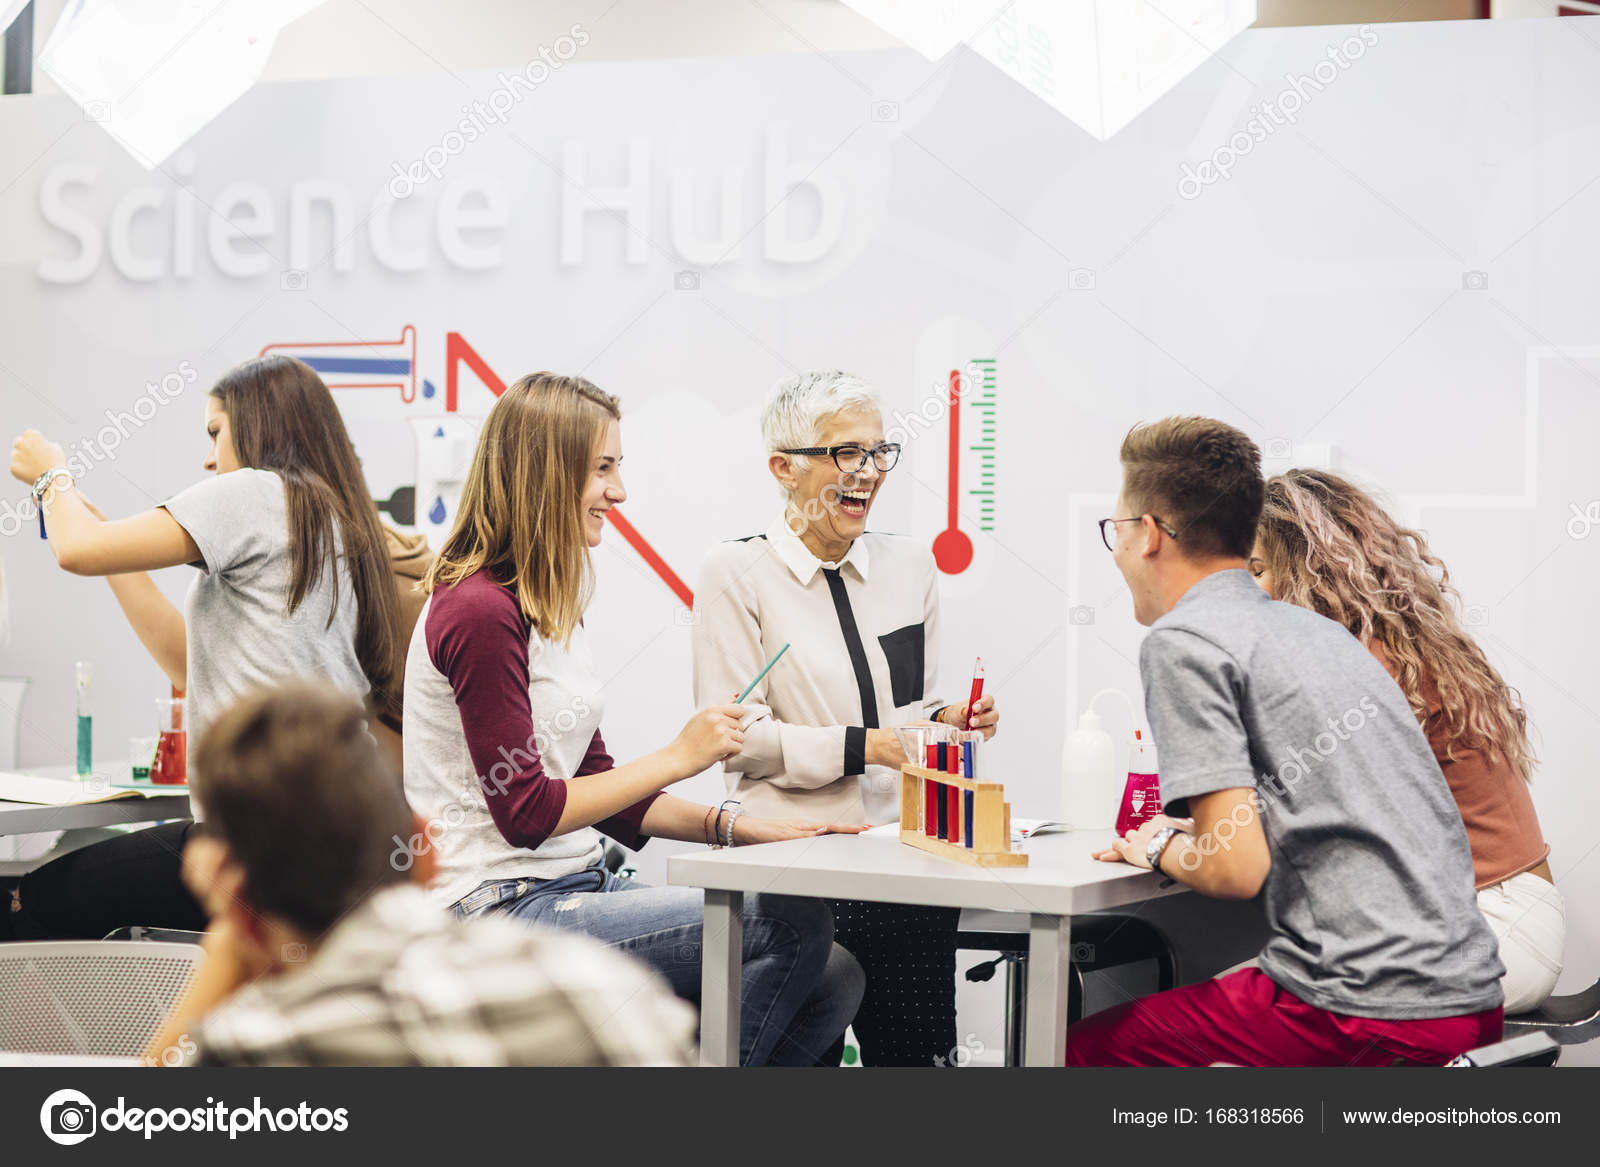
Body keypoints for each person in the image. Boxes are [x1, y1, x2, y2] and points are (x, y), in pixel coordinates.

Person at [402, 371, 864, 1067]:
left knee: (836, 977)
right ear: (545, 473)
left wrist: (736, 828)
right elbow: (526, 813)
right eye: (603, 469)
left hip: (574, 886)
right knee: (792, 926)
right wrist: (681, 755)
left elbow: (602, 790)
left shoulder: (549, 599)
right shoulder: (478, 610)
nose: (619, 491)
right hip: (493, 909)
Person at [1070, 416, 1504, 1066]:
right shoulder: (1318, 633)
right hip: (1471, 1000)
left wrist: (1156, 843)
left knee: (1073, 1052)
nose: (1117, 551)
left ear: (1150, 533)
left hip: (1368, 1010)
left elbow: (1235, 868)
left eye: (1118, 530)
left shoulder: (1184, 642)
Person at [6, 355, 402, 938]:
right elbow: (187, 665)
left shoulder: (254, 493)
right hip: (341, 832)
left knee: (23, 902)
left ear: (261, 426)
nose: (209, 457)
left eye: (216, 432)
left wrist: (50, 475)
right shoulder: (332, 518)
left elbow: (76, 550)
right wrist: (115, 550)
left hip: (257, 840)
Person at [693, 369, 999, 1067]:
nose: (868, 471)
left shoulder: (910, 565)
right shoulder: (734, 571)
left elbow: (910, 709)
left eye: (878, 451)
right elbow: (740, 742)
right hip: (797, 864)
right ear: (784, 468)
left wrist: (949, 716)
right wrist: (869, 746)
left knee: (920, 1064)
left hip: (906, 856)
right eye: (845, 453)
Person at [147, 681, 696, 1066]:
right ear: (429, 853)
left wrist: (228, 952)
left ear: (238, 894)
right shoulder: (599, 985)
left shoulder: (252, 1048)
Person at [1251, 468, 1562, 1013]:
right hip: (1502, 919)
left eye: (1255, 570)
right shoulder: (1389, 652)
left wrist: (1174, 844)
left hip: (1493, 928)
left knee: (1220, 1013)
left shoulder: (1368, 666)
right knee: (1241, 990)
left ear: (1310, 576)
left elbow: (1323, 827)